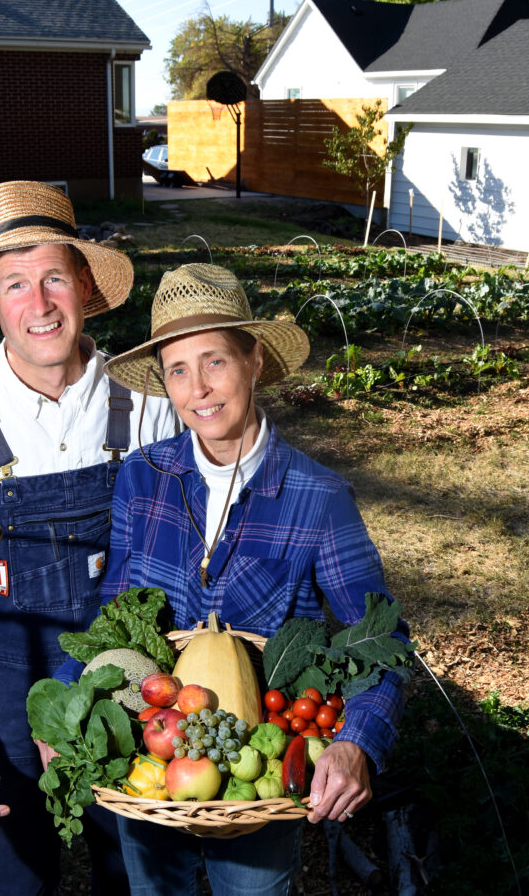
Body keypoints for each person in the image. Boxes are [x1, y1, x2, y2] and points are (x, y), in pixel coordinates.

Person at [0, 181, 178, 896]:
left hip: (134, 693)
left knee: (139, 875)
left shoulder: (146, 406)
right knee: (23, 880)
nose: (40, 302)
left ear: (84, 282)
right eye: (16, 282)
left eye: (55, 275)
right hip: (6, 702)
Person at [87, 263, 410, 896]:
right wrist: (65, 714)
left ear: (255, 361)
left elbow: (386, 638)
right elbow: (113, 613)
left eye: (215, 362)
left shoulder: (317, 497)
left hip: (254, 775)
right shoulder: (142, 477)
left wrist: (357, 743)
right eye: (178, 370)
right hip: (149, 771)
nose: (198, 389)